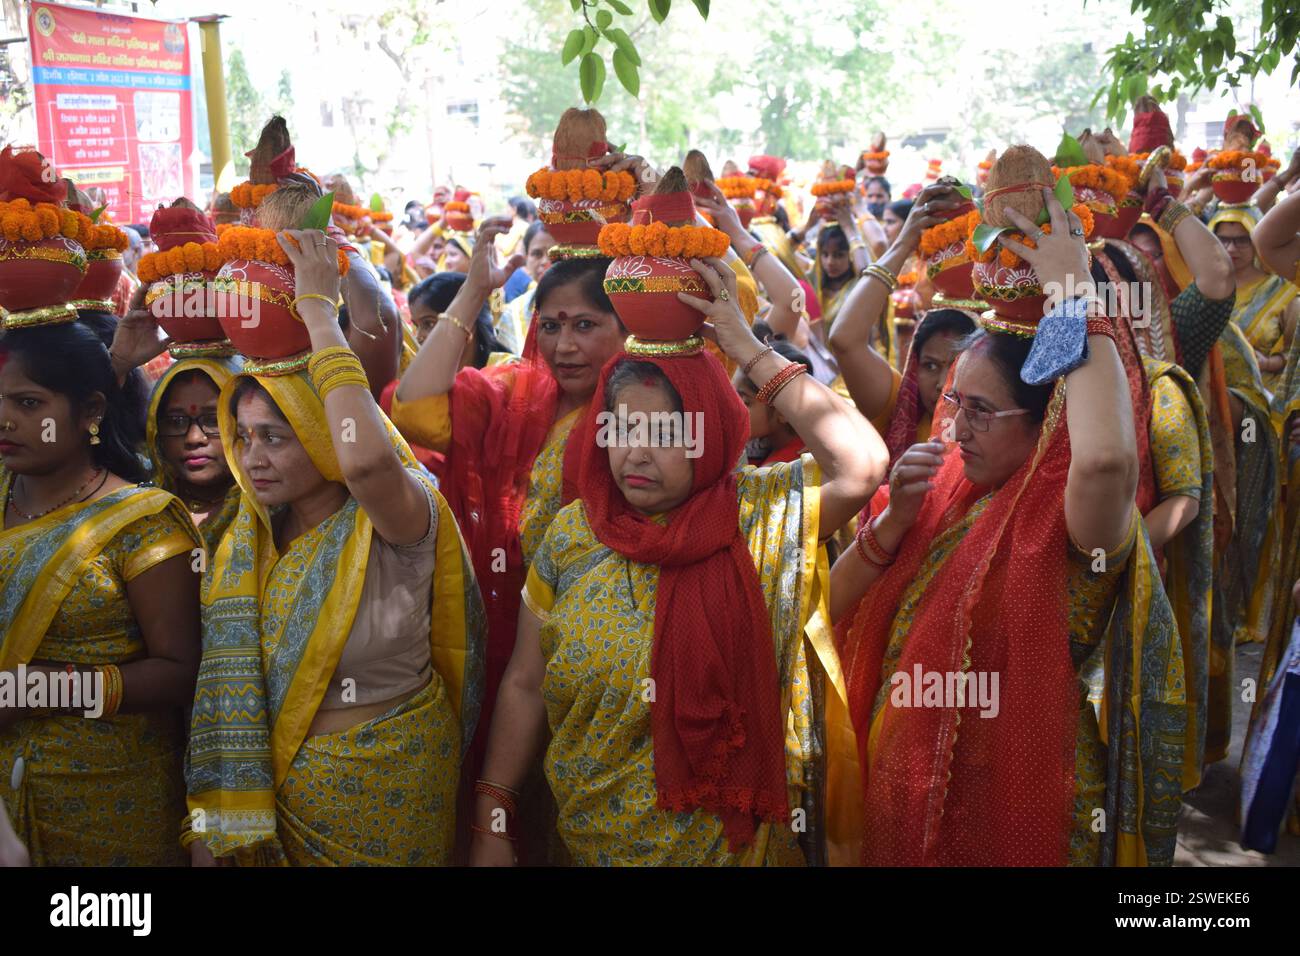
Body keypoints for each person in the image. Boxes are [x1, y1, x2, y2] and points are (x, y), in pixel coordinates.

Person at [470, 251, 888, 866]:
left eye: (665, 433)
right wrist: (492, 817)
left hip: (721, 847)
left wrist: (748, 347)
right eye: (621, 429)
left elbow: (863, 467)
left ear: (711, 432)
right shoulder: (576, 533)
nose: (636, 454)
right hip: (590, 840)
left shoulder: (752, 517)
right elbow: (527, 683)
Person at [832, 185, 1186, 866]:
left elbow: (1109, 457)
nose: (955, 425)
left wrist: (1075, 298)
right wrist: (893, 525)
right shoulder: (941, 486)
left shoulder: (1075, 523)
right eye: (954, 401)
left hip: (1018, 809)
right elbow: (829, 607)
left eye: (982, 412)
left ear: (1050, 418)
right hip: (899, 795)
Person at [183, 227, 484, 866]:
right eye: (243, 436)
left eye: (276, 437)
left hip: (385, 790)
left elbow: (368, 466)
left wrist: (319, 313)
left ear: (326, 434)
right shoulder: (248, 538)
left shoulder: (398, 518)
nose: (252, 457)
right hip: (275, 802)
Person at [391, 221, 626, 858]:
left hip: (610, 661)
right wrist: (472, 292)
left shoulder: (652, 412)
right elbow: (413, 406)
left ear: (627, 328)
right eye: (550, 325)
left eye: (584, 325)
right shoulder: (515, 392)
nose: (564, 344)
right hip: (510, 645)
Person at [0, 314, 202, 866]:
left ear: (90, 411)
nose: (4, 420)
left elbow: (180, 670)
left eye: (28, 404)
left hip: (105, 798)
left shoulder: (142, 522)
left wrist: (40, 690)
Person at [830, 183, 976, 458]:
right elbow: (844, 340)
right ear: (914, 365)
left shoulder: (1003, 427)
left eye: (958, 365)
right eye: (930, 365)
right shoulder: (898, 407)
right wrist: (903, 244)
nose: (942, 383)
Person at [1210, 203, 1298, 394]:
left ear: (1255, 242)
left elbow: (1295, 353)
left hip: (1263, 398)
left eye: (1242, 240)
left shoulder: (1283, 290)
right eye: (1223, 239)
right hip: (1209, 390)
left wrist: (1268, 363)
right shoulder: (1202, 285)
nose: (1231, 248)